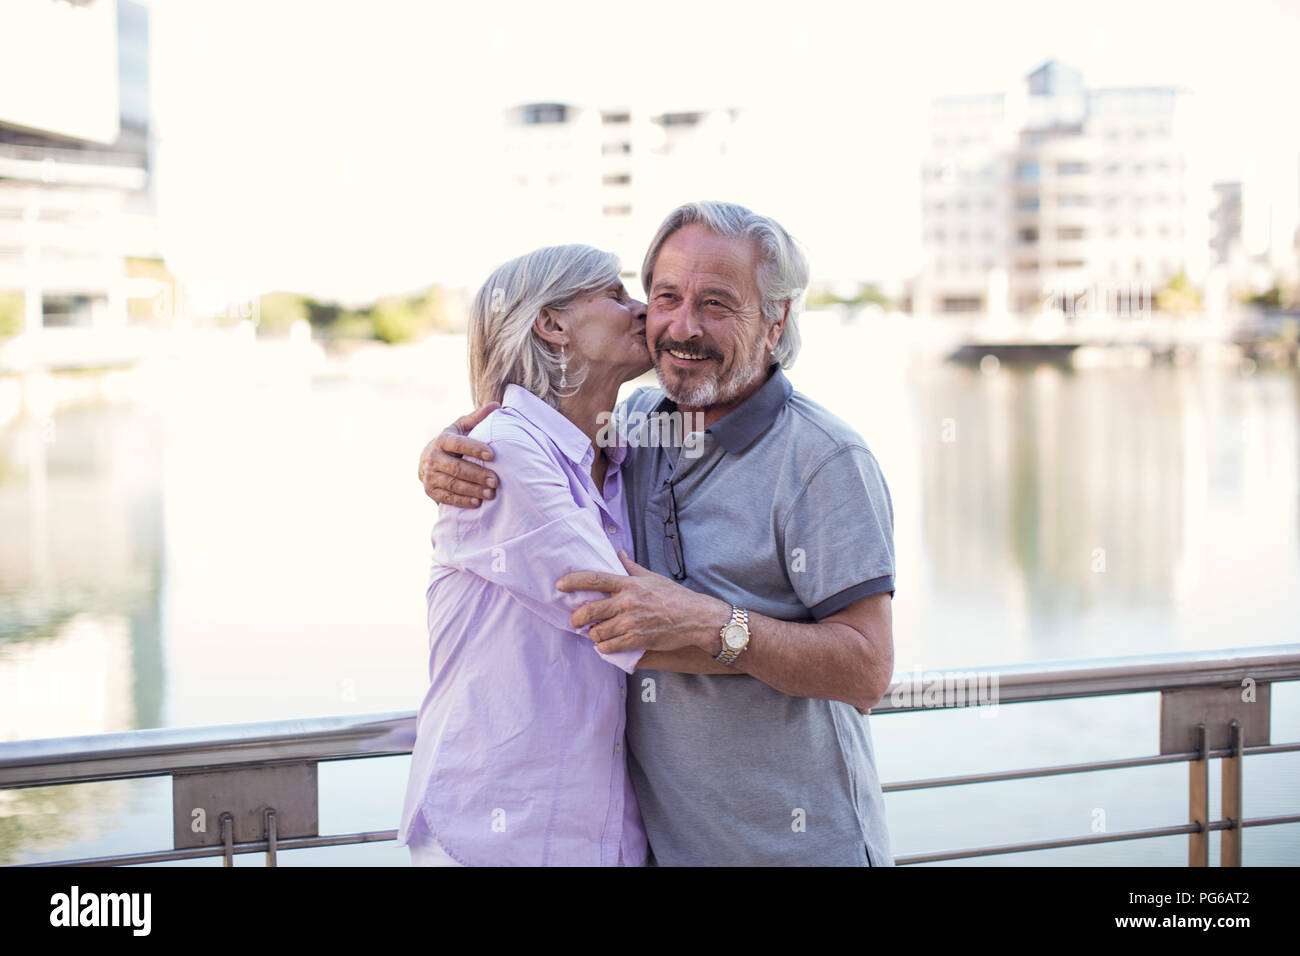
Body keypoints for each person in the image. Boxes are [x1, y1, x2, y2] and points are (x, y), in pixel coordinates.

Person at [420, 201, 897, 866]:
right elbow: (536, 445)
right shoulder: (633, 428)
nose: (677, 325)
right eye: (663, 296)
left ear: (776, 320)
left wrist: (719, 626)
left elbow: (868, 671)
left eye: (717, 304)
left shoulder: (824, 460)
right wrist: (445, 454)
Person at [397, 243, 737, 868]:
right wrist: (792, 655)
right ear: (552, 325)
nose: (643, 311)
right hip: (501, 838)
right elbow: (622, 620)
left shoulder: (622, 449)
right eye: (614, 295)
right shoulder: (502, 453)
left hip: (598, 833)